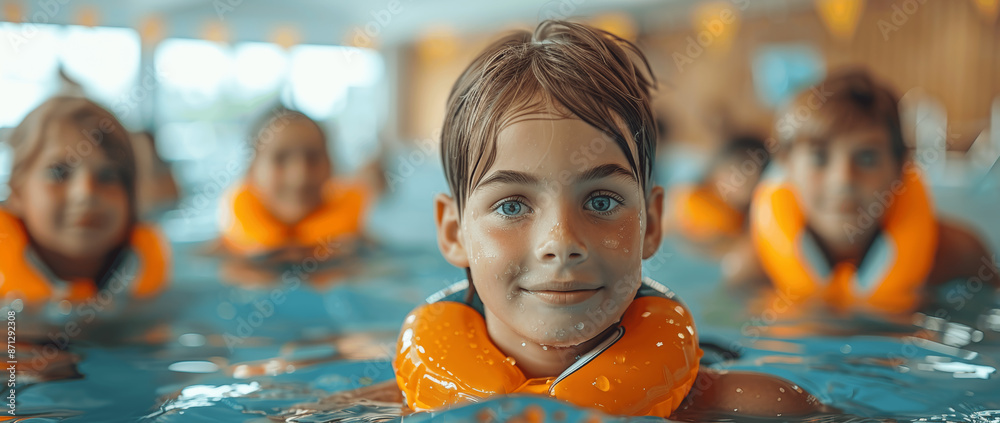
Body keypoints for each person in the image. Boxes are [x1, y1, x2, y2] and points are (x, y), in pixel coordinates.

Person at [391, 20, 829, 418]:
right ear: (453, 232)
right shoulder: (387, 410)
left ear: (652, 224)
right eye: (512, 205)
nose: (561, 241)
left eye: (600, 201)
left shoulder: (760, 410)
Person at [736, 69, 998, 315]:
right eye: (819, 158)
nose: (843, 180)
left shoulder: (959, 256)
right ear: (787, 167)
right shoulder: (750, 271)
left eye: (867, 158)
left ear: (900, 168)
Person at [0, 97, 170, 313]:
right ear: (16, 193)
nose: (86, 193)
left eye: (108, 175)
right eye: (59, 172)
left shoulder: (143, 272)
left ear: (131, 197)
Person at [218, 106, 376, 262]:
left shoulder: (362, 246)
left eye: (313, 157)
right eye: (280, 158)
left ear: (331, 166)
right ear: (252, 170)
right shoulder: (223, 253)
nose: (300, 176)